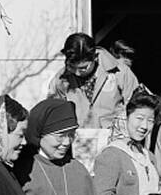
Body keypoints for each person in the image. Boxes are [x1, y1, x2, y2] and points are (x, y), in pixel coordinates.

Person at [48, 34, 138, 170]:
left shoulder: (121, 73)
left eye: (83, 68)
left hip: (116, 146)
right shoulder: (61, 81)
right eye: (72, 67)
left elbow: (137, 109)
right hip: (79, 149)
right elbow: (54, 117)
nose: (77, 73)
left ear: (95, 57)